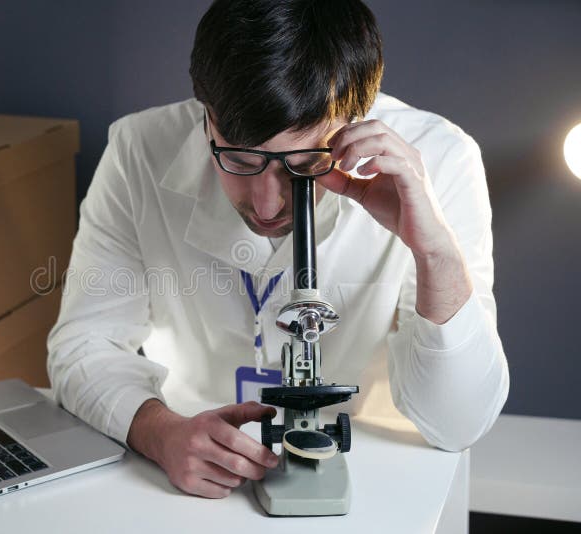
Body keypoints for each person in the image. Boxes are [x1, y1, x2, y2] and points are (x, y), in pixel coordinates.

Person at [47, 0, 509, 499]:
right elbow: (82, 346)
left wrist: (434, 252)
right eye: (239, 158)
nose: (267, 203)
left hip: (381, 475)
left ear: (354, 122)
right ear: (206, 115)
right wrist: (159, 432)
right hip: (186, 477)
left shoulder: (441, 159)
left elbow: (460, 423)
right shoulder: (139, 148)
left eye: (303, 161)